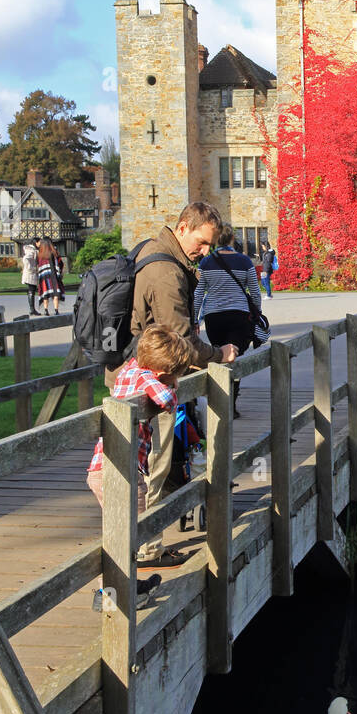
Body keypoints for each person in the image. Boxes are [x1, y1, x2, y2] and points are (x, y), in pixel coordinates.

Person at [120, 201, 239, 567]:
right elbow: (180, 339)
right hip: (150, 383)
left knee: (146, 466)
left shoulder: (157, 252)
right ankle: (147, 549)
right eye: (202, 243)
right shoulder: (165, 272)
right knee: (151, 466)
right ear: (184, 226)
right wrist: (220, 354)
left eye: (209, 247)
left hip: (139, 377)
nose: (205, 253)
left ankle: (143, 541)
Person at [88, 326, 192, 600]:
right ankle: (112, 593)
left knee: (119, 533)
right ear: (163, 374)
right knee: (128, 533)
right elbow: (167, 401)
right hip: (121, 473)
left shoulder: (130, 369)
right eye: (176, 375)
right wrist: (173, 387)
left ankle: (119, 588)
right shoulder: (148, 378)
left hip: (103, 469)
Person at [195, 224, 269, 417]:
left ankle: (222, 403)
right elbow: (254, 290)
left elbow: (198, 293)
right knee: (233, 357)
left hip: (214, 318)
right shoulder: (244, 261)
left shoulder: (205, 263)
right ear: (231, 240)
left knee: (220, 357)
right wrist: (257, 313)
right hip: (238, 316)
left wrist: (195, 319)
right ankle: (230, 405)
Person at [37, 238, 64, 315]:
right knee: (55, 292)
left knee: (45, 293)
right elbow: (60, 263)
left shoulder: (40, 254)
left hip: (44, 276)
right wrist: (60, 272)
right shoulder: (54, 252)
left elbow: (38, 265)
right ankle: (56, 310)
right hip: (53, 275)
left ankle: (46, 310)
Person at [21, 241, 39, 315]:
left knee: (32, 290)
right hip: (30, 274)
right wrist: (31, 268)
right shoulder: (31, 251)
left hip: (30, 273)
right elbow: (26, 259)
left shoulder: (31, 250)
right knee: (31, 290)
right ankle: (32, 309)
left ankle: (32, 309)